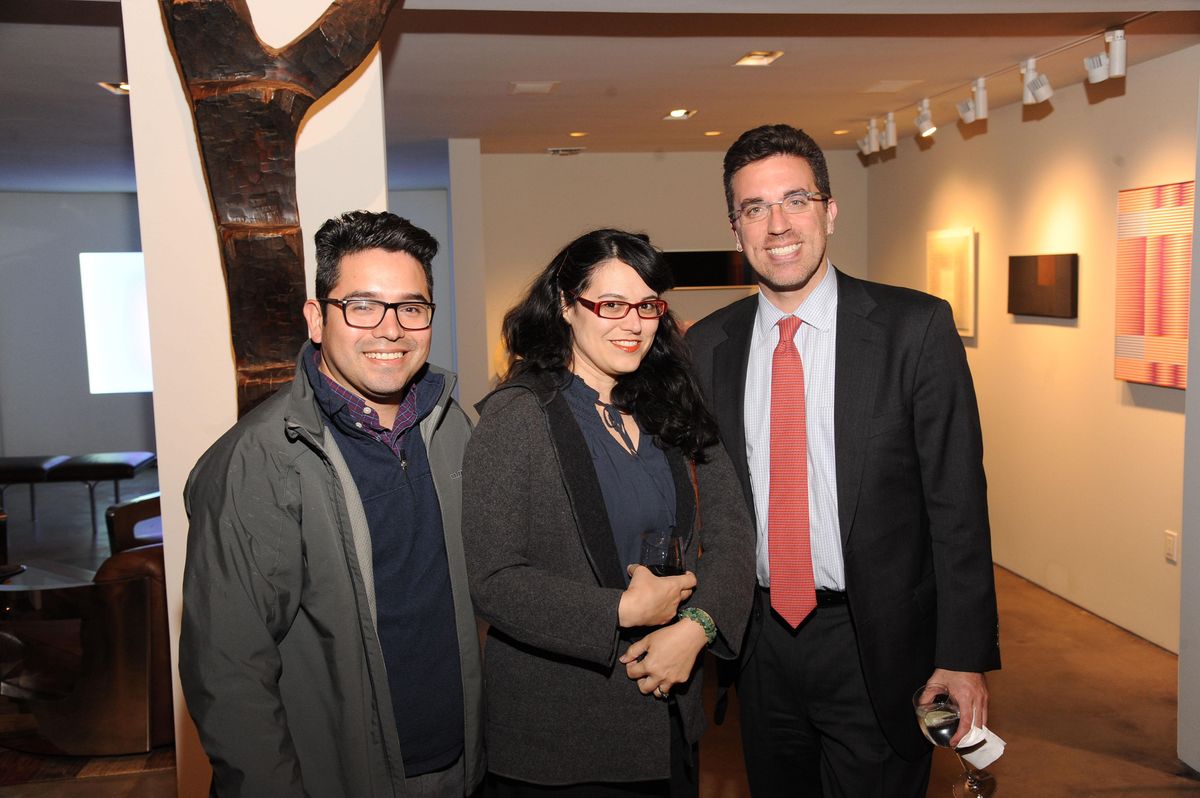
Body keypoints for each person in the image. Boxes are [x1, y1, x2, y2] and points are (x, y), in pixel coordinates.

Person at [686, 124, 1001, 797]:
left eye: (795, 200)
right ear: (736, 229)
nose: (777, 226)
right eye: (754, 208)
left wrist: (963, 657)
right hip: (761, 643)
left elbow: (956, 505)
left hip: (880, 641)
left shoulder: (913, 330)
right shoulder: (709, 347)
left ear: (829, 209)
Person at [179, 210, 483, 797]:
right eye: (363, 305)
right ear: (317, 319)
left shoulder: (451, 427)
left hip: (459, 764)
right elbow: (229, 672)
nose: (391, 329)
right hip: (336, 777)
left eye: (411, 308)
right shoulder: (257, 460)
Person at [462, 229, 755, 796]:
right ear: (567, 306)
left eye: (647, 305)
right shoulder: (516, 418)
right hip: (565, 739)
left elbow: (732, 534)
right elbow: (494, 579)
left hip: (671, 714)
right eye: (612, 304)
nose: (633, 323)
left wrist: (697, 627)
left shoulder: (673, 403)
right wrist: (618, 610)